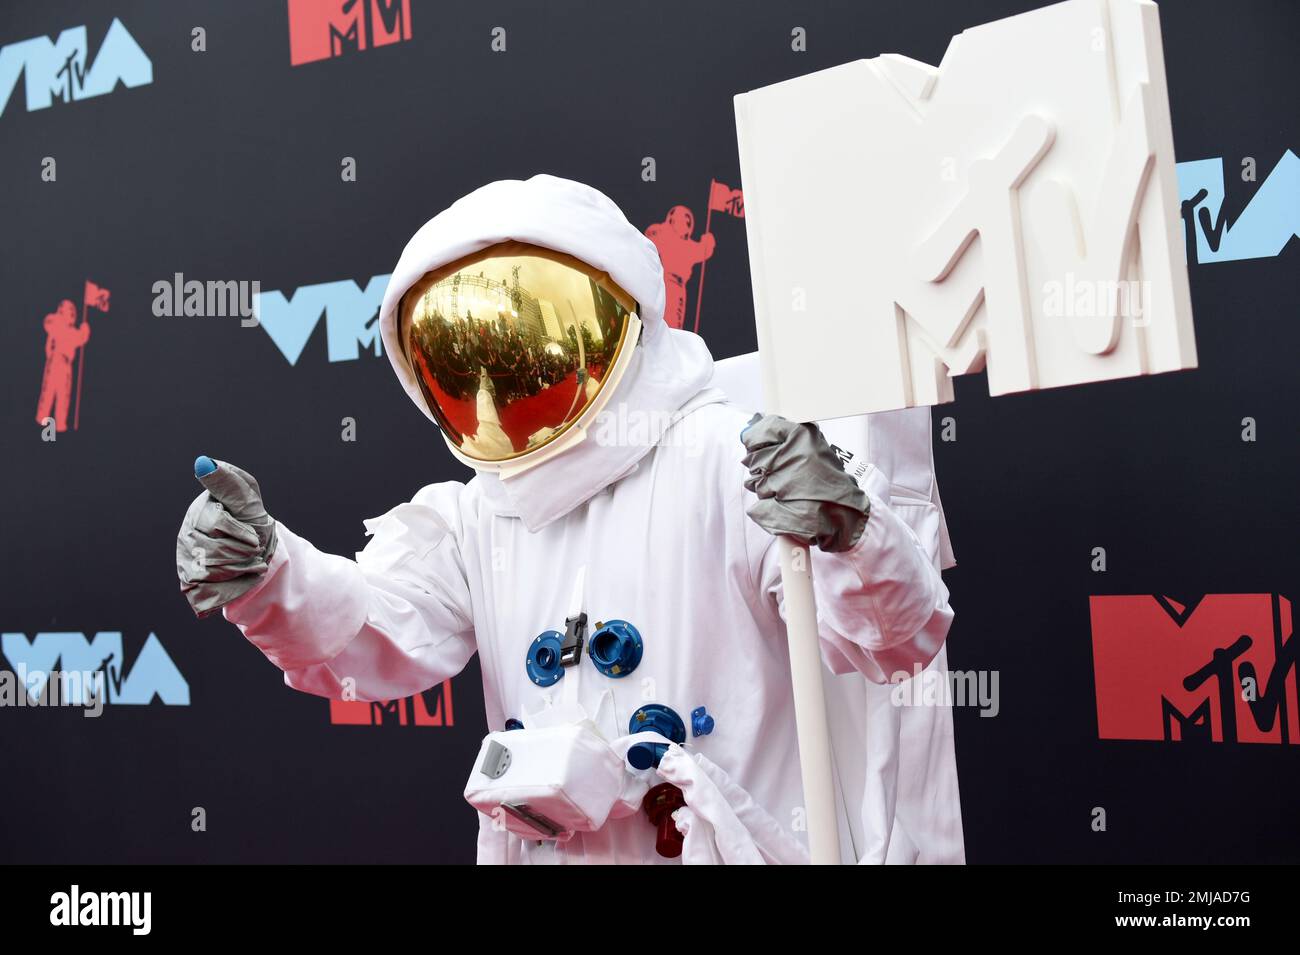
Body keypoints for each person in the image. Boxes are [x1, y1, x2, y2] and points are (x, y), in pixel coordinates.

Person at [176, 175, 953, 864]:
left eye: (526, 343)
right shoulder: (480, 515)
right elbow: (371, 628)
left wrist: (850, 528)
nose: (500, 386)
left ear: (619, 308)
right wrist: (270, 571)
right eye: (462, 365)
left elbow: (894, 640)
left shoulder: (733, 457)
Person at [35, 299, 89, 432]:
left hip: (66, 365)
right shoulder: (56, 323)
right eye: (69, 310)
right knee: (48, 391)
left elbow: (80, 338)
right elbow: (48, 322)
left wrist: (84, 330)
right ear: (61, 310)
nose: (72, 313)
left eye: (73, 311)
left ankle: (60, 424)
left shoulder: (71, 331)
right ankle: (42, 418)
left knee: (63, 396)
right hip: (55, 361)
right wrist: (82, 331)